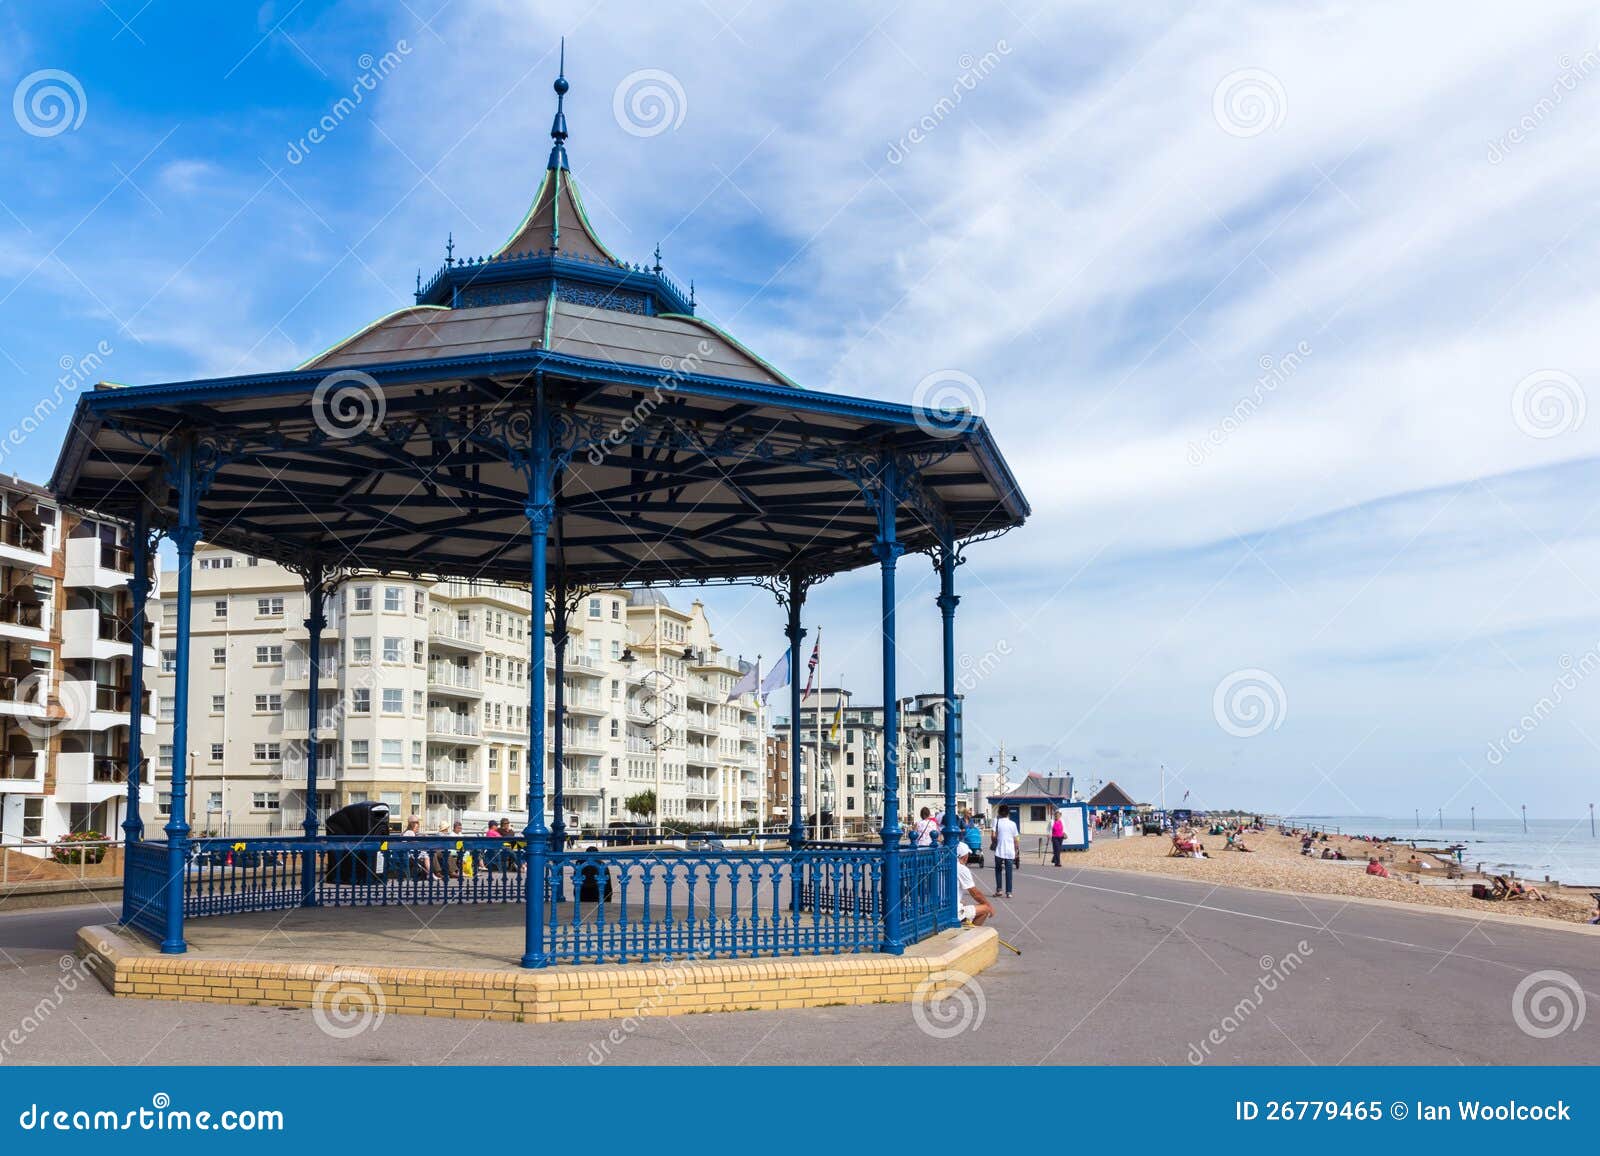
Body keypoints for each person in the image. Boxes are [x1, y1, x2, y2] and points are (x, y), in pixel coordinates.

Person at [954, 842, 994, 926]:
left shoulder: (945, 864)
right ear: (964, 856)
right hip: (952, 913)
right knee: (985, 909)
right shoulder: (961, 868)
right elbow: (975, 893)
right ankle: (973, 933)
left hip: (939, 908)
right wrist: (988, 905)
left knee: (962, 902)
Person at [991, 805, 1019, 897]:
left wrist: (996, 840)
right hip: (1010, 850)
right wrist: (1016, 851)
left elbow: (993, 836)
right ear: (1008, 813)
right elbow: (1016, 840)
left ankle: (999, 890)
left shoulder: (996, 822)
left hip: (999, 850)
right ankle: (1009, 892)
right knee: (1009, 871)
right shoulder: (1013, 824)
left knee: (998, 870)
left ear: (999, 812)